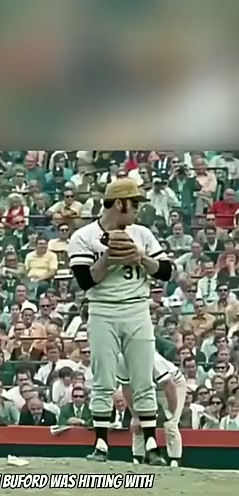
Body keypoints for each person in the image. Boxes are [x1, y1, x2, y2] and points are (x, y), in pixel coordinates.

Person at [68, 178, 172, 464]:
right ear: (118, 203)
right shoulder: (84, 236)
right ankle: (101, 443)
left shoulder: (142, 234)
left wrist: (141, 258)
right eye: (134, 204)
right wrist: (109, 259)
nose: (137, 209)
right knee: (103, 379)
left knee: (143, 378)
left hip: (137, 309)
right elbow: (85, 280)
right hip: (102, 309)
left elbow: (165, 271)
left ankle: (152, 444)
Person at [119, 350, 188, 468]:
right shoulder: (121, 361)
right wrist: (135, 416)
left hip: (173, 383)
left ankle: (175, 461)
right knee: (140, 422)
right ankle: (138, 457)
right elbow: (127, 389)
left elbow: (169, 385)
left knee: (170, 423)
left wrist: (171, 410)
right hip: (146, 387)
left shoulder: (153, 360)